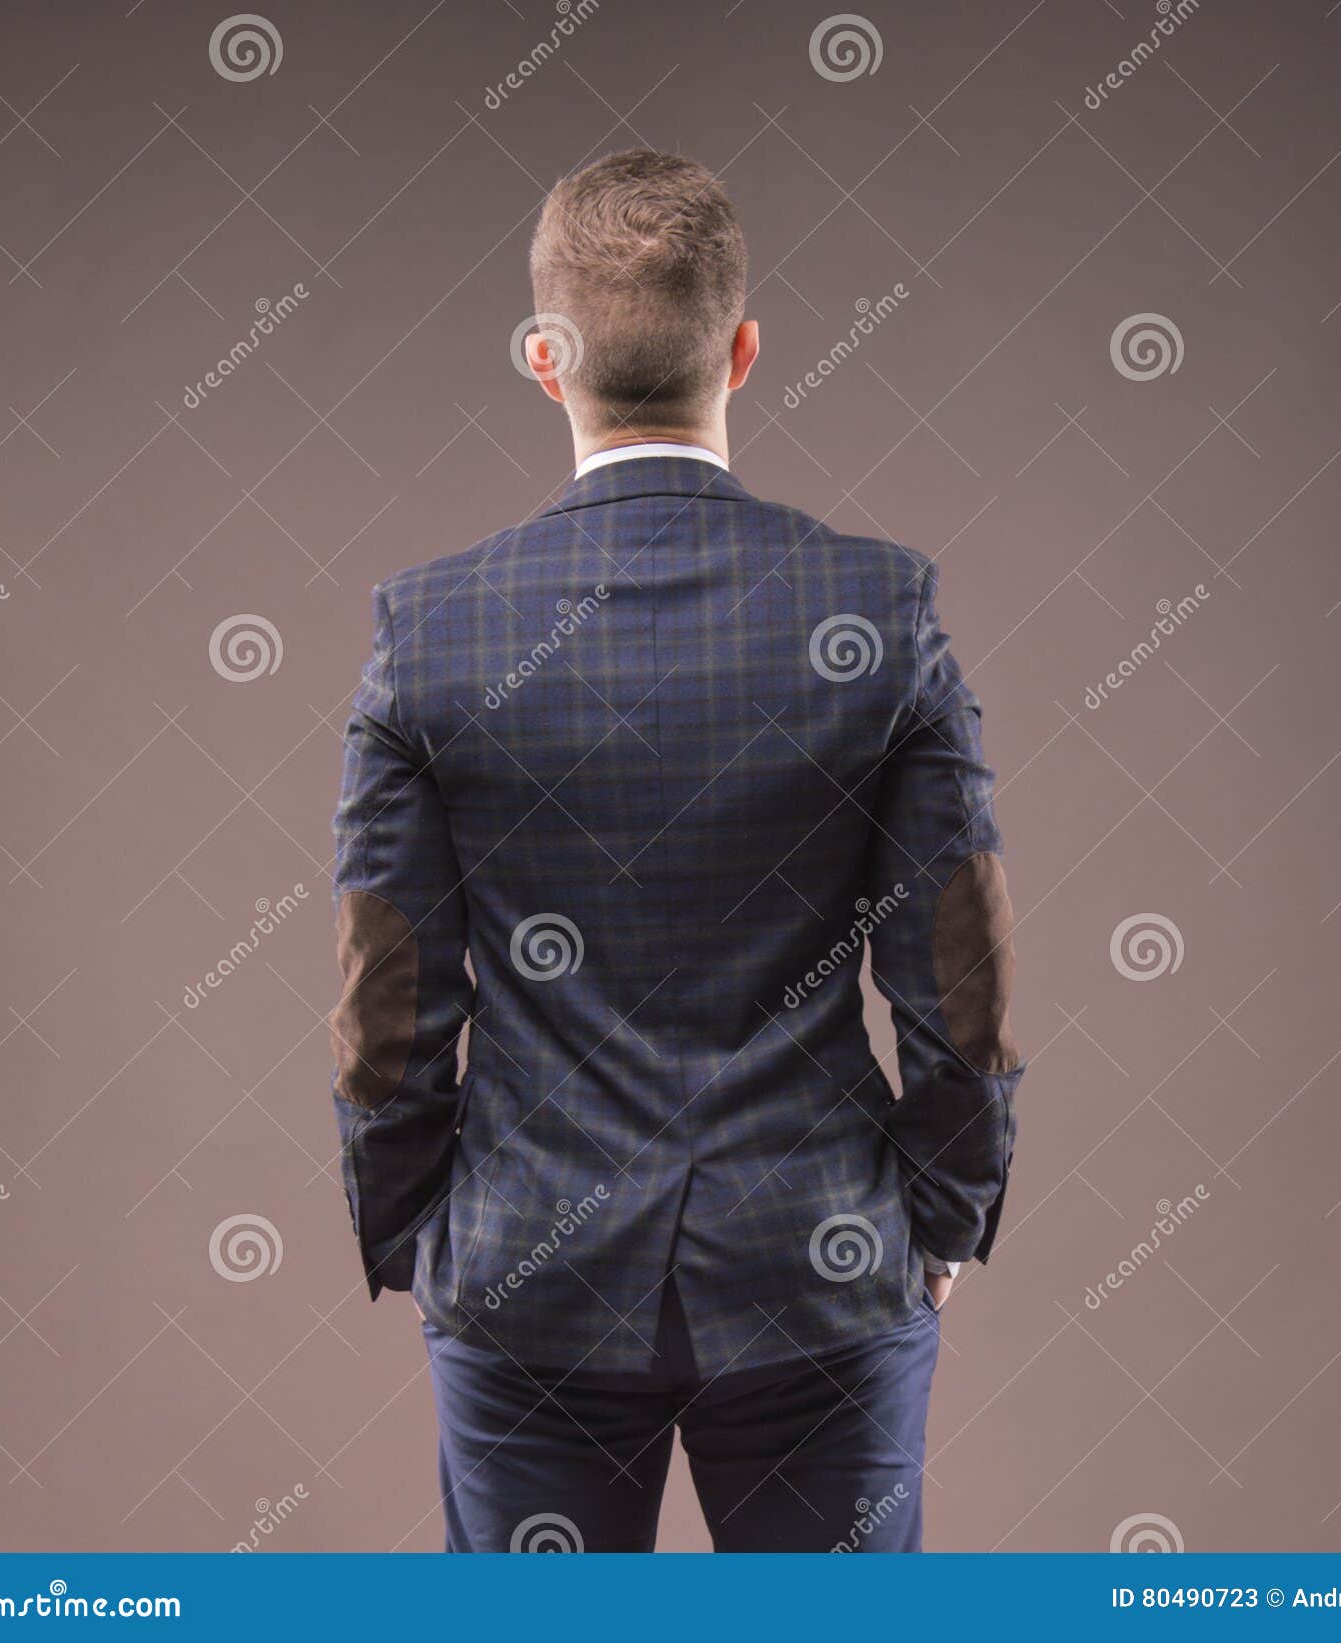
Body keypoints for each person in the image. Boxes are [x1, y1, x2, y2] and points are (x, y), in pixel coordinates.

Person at [328, 148, 1024, 1553]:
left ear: (543, 357)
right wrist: (942, 1218)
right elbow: (962, 980)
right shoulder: (878, 616)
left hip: (528, 1275)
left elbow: (387, 1006)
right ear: (745, 350)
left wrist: (417, 1231)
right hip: (818, 1268)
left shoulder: (433, 632)